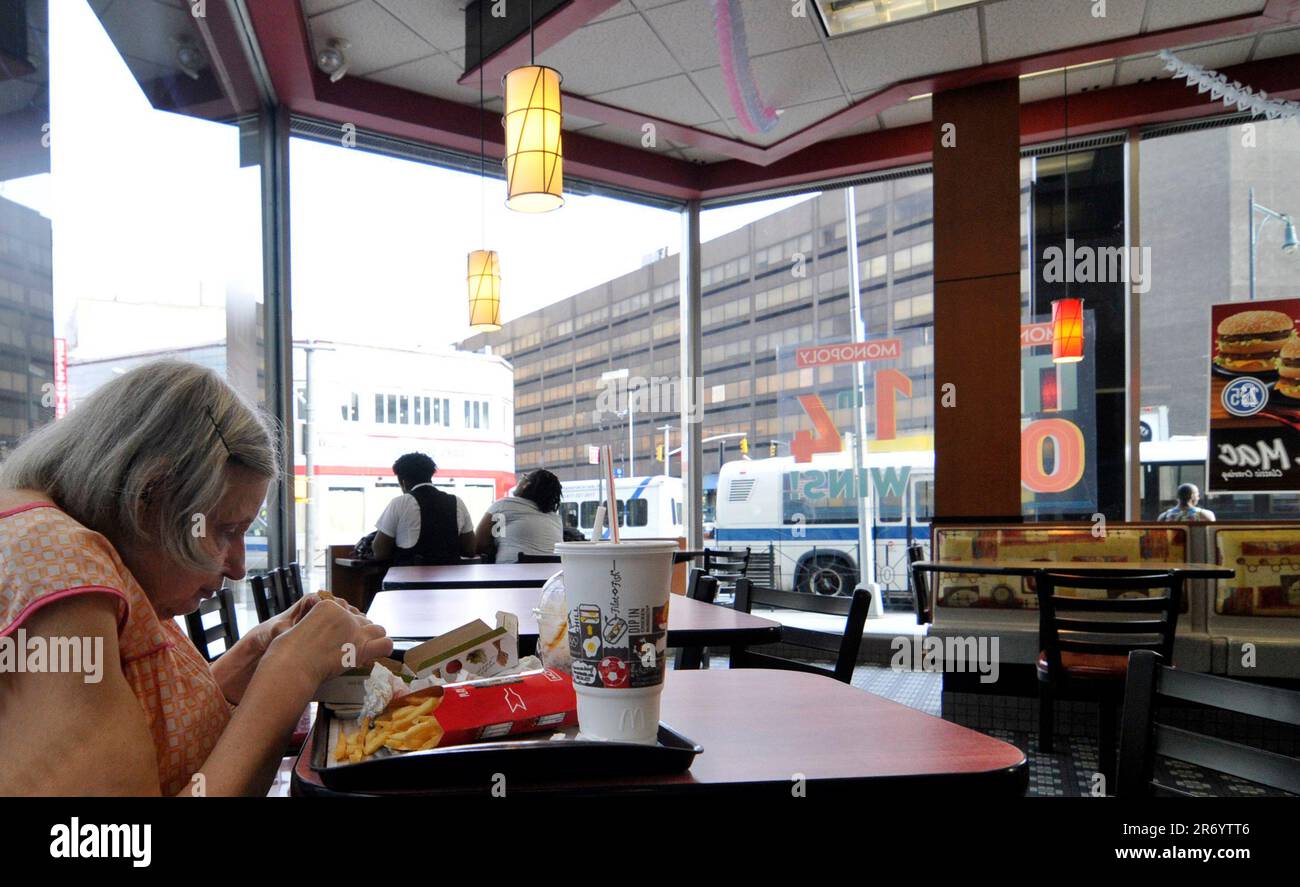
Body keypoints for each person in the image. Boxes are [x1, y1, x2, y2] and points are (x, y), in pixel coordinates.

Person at [0, 360, 391, 796]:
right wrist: (291, 673)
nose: (239, 567)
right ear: (149, 496)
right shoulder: (57, 562)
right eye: (226, 531)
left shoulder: (84, 551)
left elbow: (151, 733)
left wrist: (253, 659)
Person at [372, 452, 474, 565]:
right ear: (430, 475)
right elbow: (470, 549)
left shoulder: (401, 502)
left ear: (403, 482)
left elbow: (380, 552)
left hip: (411, 579)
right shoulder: (457, 502)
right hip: (450, 579)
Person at [474, 469, 564, 563]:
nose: (521, 477)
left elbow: (478, 544)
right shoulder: (555, 518)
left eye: (524, 476)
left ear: (526, 484)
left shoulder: (504, 504)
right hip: (551, 574)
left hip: (512, 574)